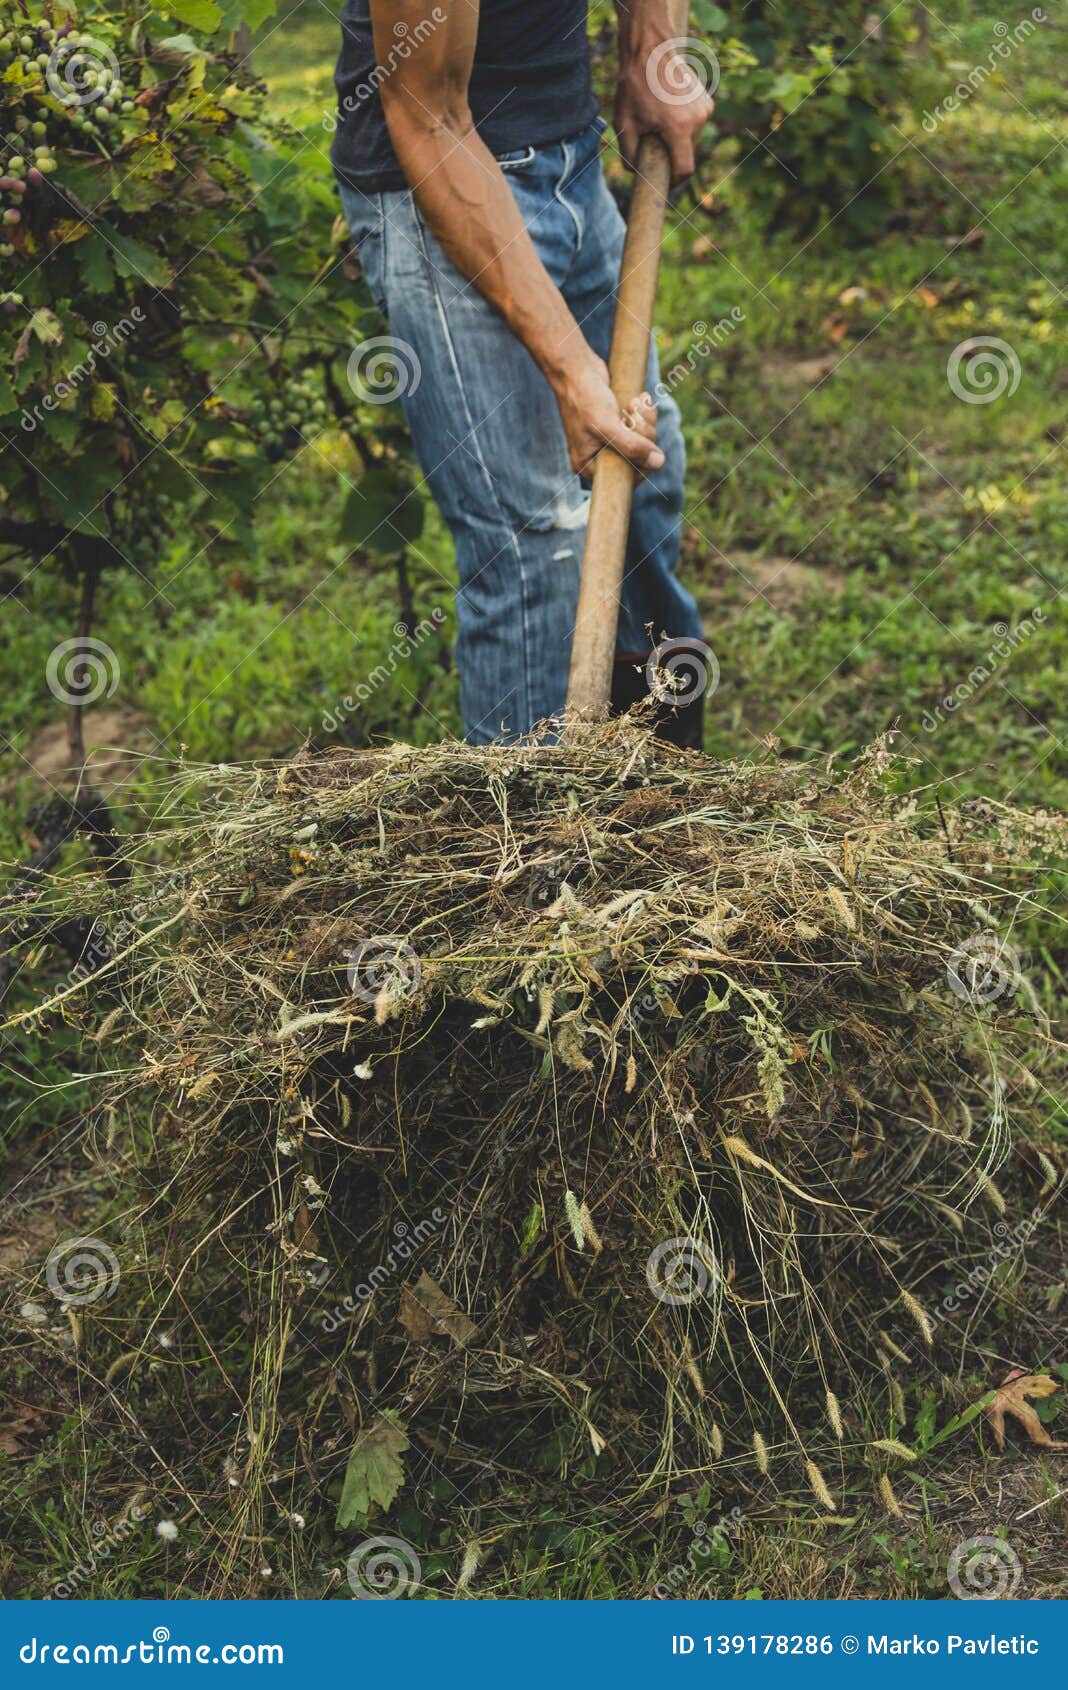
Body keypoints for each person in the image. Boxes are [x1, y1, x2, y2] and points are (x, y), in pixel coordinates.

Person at [332, 0, 713, 744]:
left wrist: (653, 44)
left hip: (568, 157)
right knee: (538, 547)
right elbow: (428, 116)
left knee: (645, 480)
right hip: (445, 179)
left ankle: (661, 818)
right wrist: (572, 373)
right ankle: (534, 845)